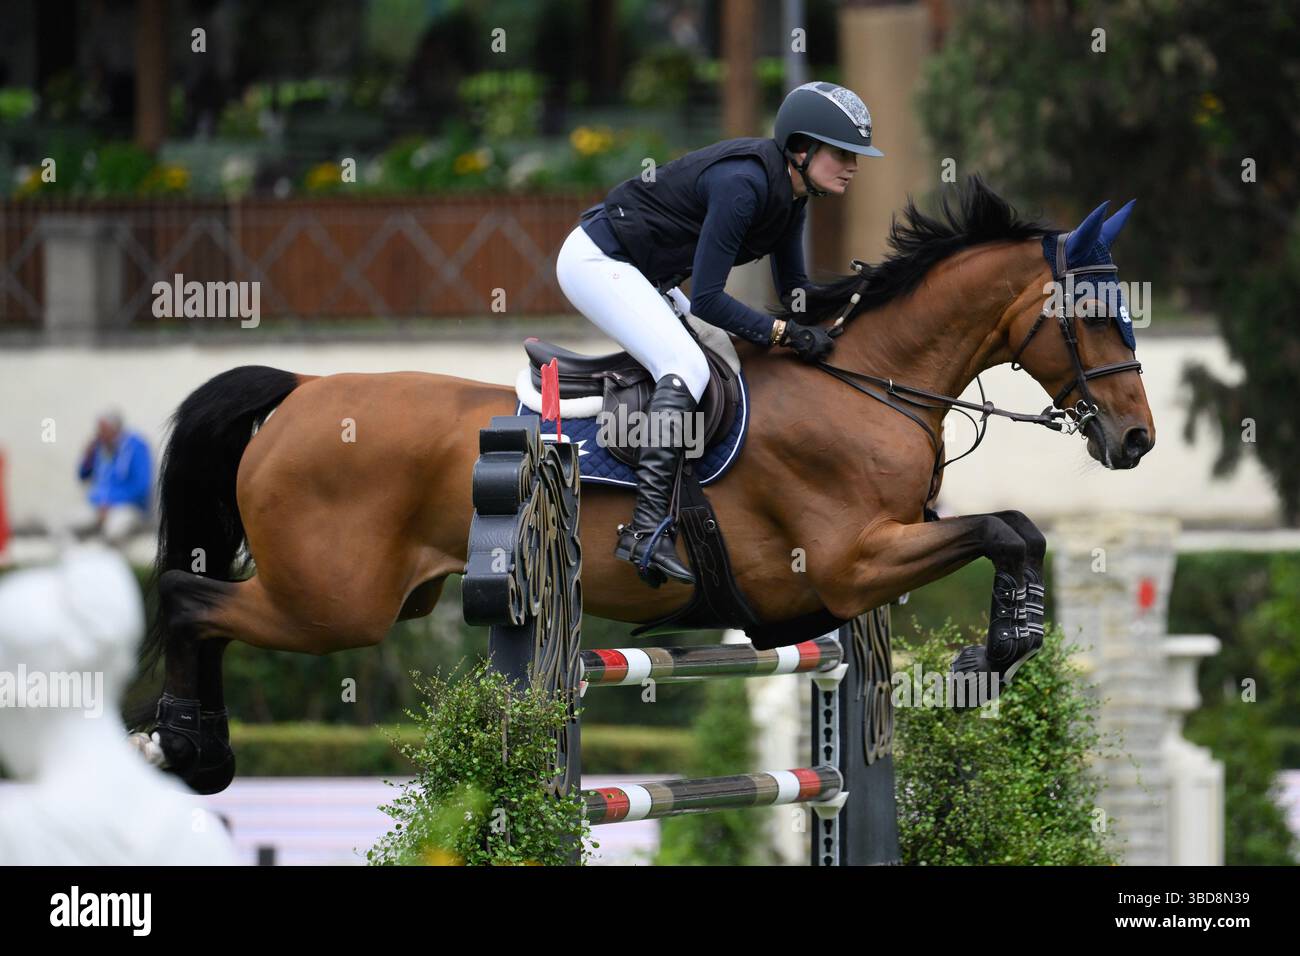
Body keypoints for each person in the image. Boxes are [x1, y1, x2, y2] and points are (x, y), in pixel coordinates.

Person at [554, 81, 885, 586]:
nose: (854, 166)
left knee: (722, 359)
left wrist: (867, 296)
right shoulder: (743, 185)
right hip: (597, 261)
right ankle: (644, 530)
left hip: (644, 273)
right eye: (843, 153)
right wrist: (785, 335)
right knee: (684, 365)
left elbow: (796, 290)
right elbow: (708, 298)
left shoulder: (791, 195)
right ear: (802, 148)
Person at [75, 409, 153, 548]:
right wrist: (87, 456)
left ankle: (108, 566)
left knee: (113, 529)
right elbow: (83, 476)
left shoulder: (136, 447)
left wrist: (110, 503)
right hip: (98, 505)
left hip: (127, 507)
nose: (99, 435)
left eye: (103, 431)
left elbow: (142, 487)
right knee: (69, 524)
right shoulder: (99, 447)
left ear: (115, 429)